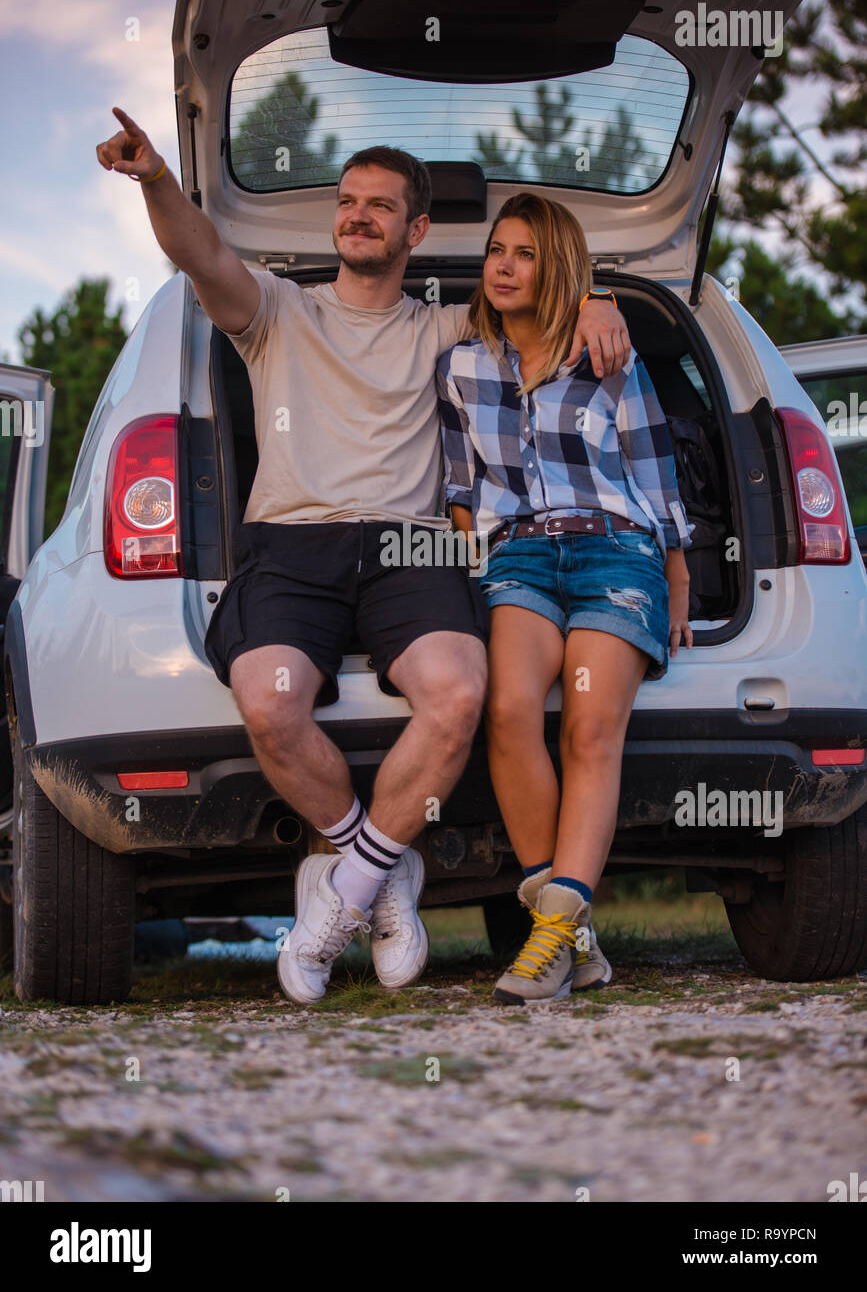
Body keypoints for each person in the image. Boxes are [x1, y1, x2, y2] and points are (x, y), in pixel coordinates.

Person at [96, 110, 633, 1004]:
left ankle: (340, 895)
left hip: (410, 544)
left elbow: (531, 302)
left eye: (380, 206)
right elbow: (201, 254)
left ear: (413, 230)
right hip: (291, 542)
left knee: (460, 693)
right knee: (270, 704)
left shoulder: (443, 329)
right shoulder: (274, 310)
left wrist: (597, 295)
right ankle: (384, 872)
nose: (358, 216)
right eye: (348, 202)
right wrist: (157, 179)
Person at [436, 192, 693, 1005]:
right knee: (509, 712)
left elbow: (654, 471)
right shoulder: (461, 366)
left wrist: (677, 582)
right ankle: (569, 931)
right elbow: (458, 486)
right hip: (518, 558)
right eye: (496, 251)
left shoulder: (607, 356)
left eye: (526, 254)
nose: (504, 267)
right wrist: (467, 554)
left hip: (615, 552)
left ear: (559, 271)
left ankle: (548, 938)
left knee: (587, 725)